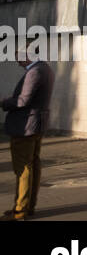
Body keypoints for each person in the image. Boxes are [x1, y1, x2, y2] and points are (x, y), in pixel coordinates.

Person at [2, 49, 54, 221]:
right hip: (38, 124)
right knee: (34, 164)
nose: (18, 63)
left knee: (23, 168)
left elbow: (22, 101)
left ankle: (20, 210)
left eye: (19, 59)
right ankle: (29, 206)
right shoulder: (46, 68)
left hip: (25, 126)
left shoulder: (34, 72)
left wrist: (3, 102)